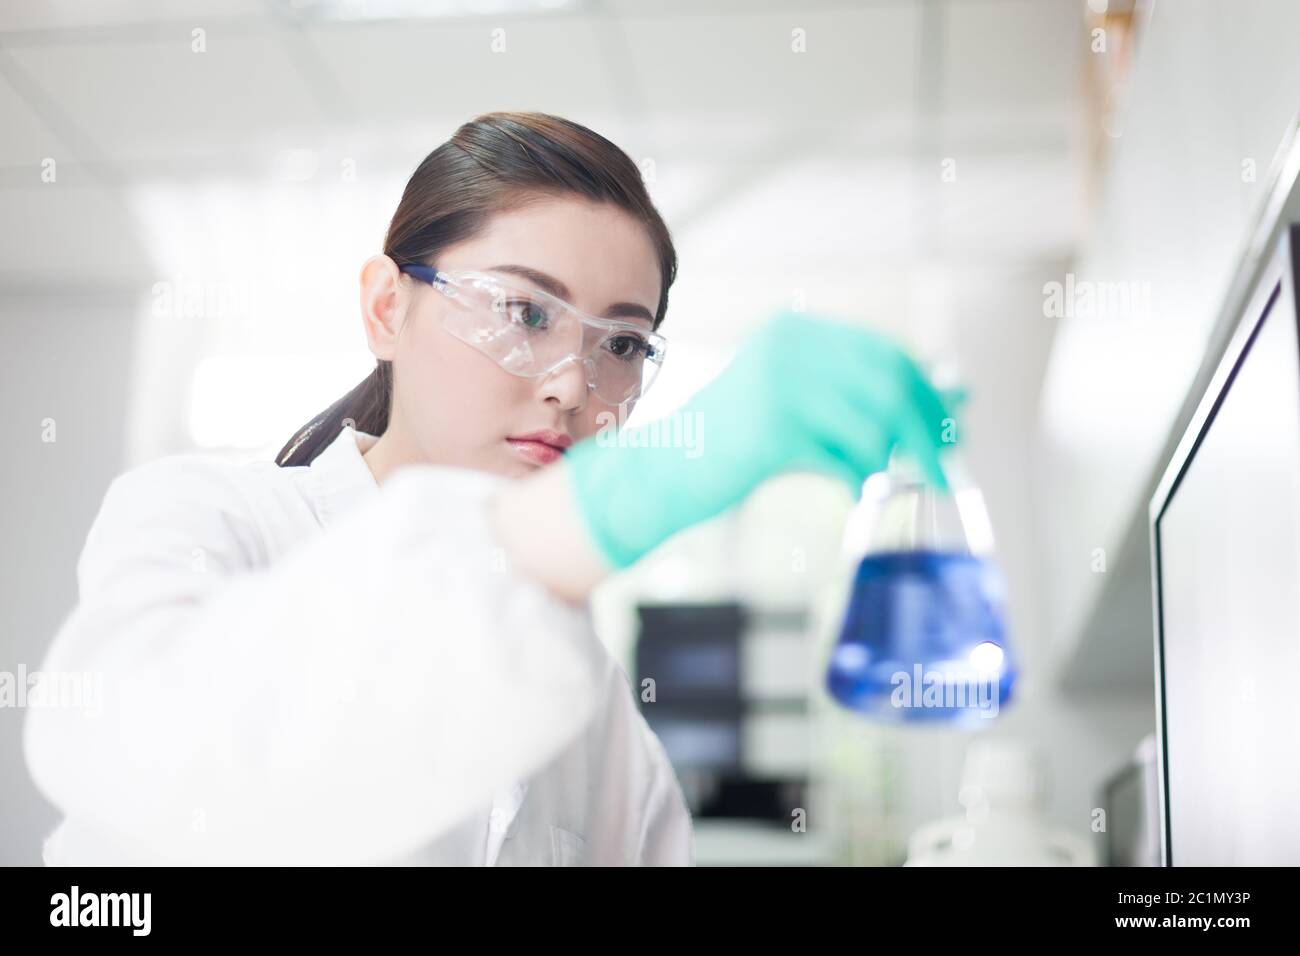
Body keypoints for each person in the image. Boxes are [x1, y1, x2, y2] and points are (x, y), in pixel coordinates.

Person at [22, 111, 953, 866]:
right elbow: (145, 769)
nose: (572, 385)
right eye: (523, 311)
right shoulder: (208, 520)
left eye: (622, 343)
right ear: (388, 308)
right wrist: (585, 520)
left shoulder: (588, 695)